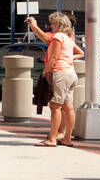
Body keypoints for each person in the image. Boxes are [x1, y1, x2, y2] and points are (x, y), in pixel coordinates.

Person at [25, 12, 85, 147]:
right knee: (68, 107)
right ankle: (66, 138)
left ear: (58, 24)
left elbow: (54, 57)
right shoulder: (69, 38)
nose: (51, 25)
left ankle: (52, 138)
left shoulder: (58, 36)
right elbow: (78, 53)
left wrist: (46, 71)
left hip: (60, 73)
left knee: (55, 106)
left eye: (52, 23)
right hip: (71, 73)